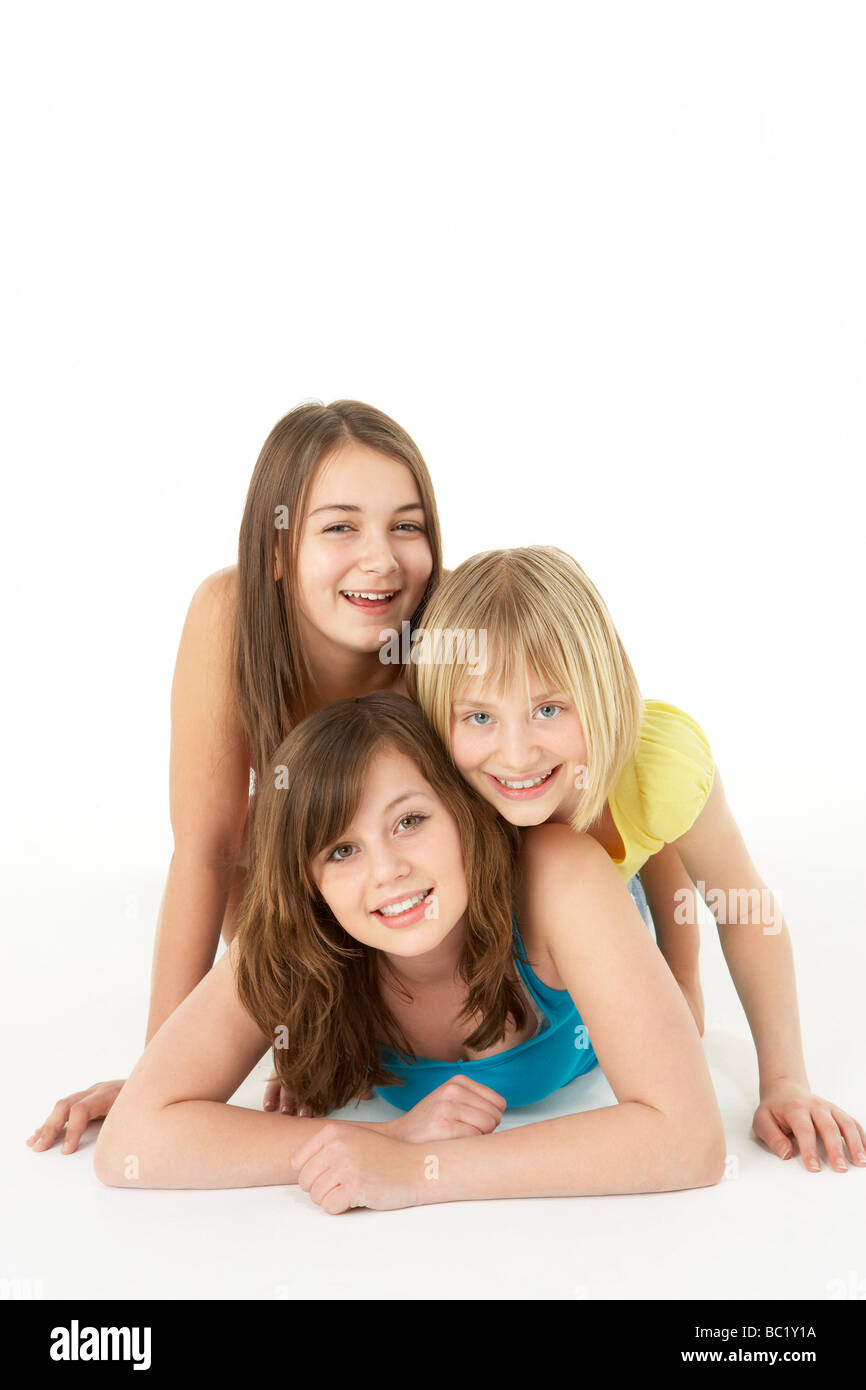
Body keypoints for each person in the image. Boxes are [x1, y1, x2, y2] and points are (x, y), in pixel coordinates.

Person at [93, 692, 725, 1211]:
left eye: (410, 821)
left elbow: (689, 1140)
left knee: (640, 834)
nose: (387, 872)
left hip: (621, 889)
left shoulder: (560, 874)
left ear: (464, 813)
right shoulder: (301, 935)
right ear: (310, 883)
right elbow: (133, 1139)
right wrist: (378, 1136)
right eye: (342, 851)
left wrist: (418, 1170)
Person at [27, 400, 443, 1153]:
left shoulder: (446, 634)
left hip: (439, 908)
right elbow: (207, 847)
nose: (380, 559)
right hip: (344, 903)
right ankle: (309, 1022)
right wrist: (163, 1073)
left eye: (406, 526)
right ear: (278, 550)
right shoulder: (229, 615)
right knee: (263, 819)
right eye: (340, 526)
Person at [405, 544, 866, 1174]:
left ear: (602, 691)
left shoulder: (656, 767)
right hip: (521, 942)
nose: (515, 755)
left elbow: (743, 907)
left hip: (612, 917)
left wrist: (781, 1077)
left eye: (548, 709)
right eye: (481, 715)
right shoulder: (435, 783)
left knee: (647, 827)